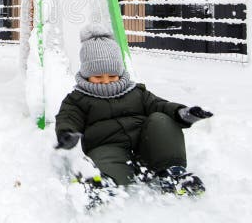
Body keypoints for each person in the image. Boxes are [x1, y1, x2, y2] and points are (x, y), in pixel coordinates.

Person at [54, 34, 213, 195]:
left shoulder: (136, 92)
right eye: (98, 77)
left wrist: (183, 113)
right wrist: (67, 133)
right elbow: (68, 117)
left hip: (146, 147)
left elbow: (160, 105)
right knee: (107, 167)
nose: (106, 81)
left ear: (120, 72)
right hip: (108, 147)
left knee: (161, 119)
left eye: (112, 76)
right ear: (86, 75)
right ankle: (101, 187)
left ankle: (173, 174)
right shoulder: (77, 99)